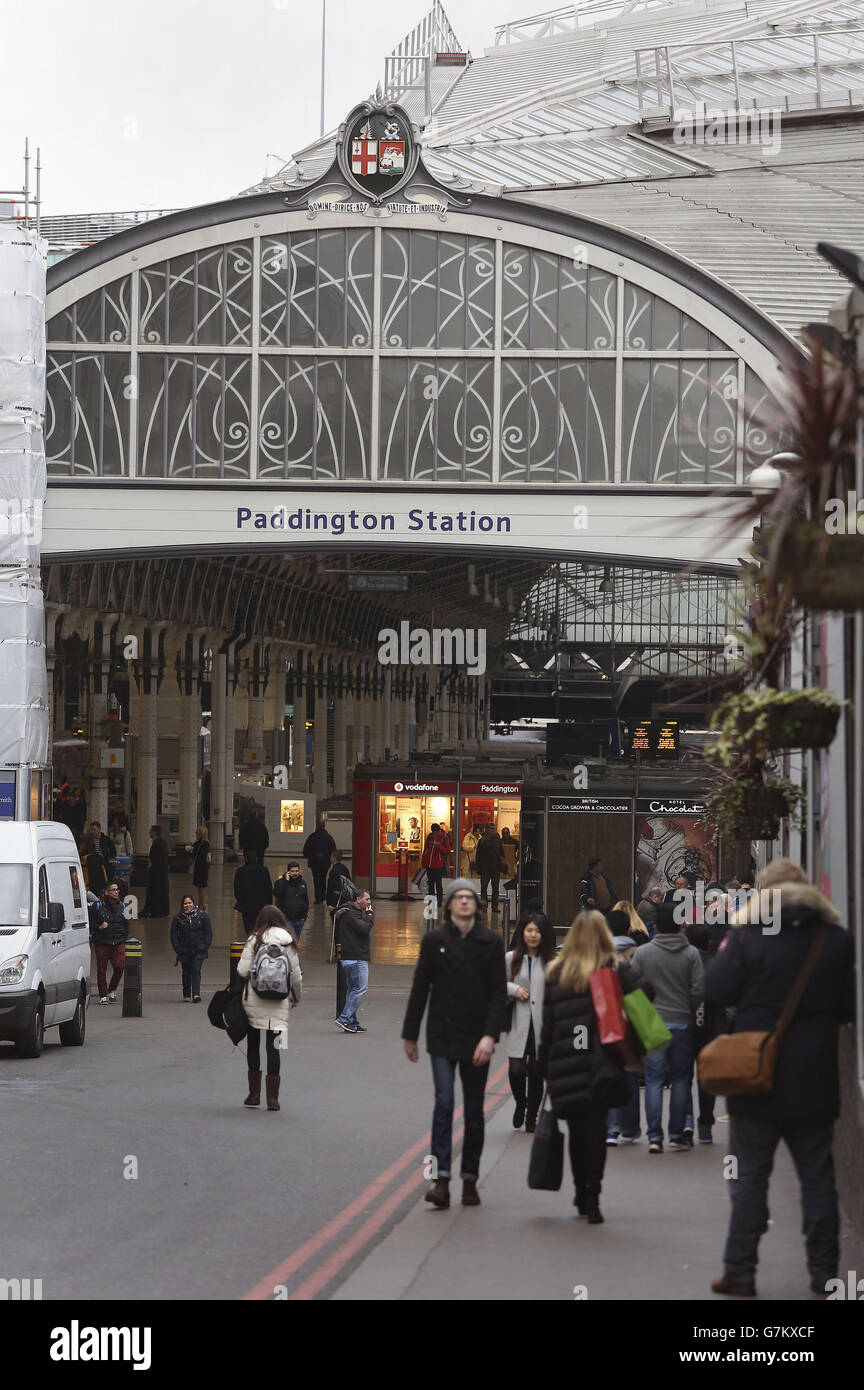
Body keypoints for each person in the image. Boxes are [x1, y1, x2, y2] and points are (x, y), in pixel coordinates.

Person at [704, 858, 854, 1299]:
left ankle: (740, 1272)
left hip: (755, 1076)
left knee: (750, 1177)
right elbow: (848, 1010)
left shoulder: (749, 936)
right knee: (818, 1179)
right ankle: (825, 1274)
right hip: (816, 1079)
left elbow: (715, 990)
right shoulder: (836, 940)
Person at [402, 878, 507, 1209]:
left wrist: (491, 1036)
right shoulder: (434, 941)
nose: (464, 902)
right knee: (444, 1104)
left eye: (469, 897)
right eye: (458, 898)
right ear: (448, 906)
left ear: (476, 905)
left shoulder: (491, 942)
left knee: (474, 1110)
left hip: (477, 1037)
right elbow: (421, 987)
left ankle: (470, 1179)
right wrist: (410, 1033)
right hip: (441, 1036)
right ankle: (441, 1179)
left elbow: (497, 995)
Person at [538, 910, 639, 1223]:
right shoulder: (612, 969)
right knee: (595, 1132)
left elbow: (548, 1026)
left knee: (577, 1131)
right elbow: (645, 996)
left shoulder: (555, 972)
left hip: (566, 1065)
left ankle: (580, 1191)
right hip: (602, 1063)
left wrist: (544, 1066)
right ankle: (592, 1196)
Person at [628, 902, 704, 1152]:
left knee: (653, 1080)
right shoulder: (692, 954)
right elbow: (698, 991)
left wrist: (643, 1016)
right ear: (681, 924)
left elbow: (633, 989)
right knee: (682, 1080)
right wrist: (688, 1009)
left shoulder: (643, 953)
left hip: (652, 1022)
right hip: (682, 1022)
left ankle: (653, 1138)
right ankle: (675, 1134)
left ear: (656, 926)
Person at [236, 905, 302, 1112]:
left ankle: (254, 1095)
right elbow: (296, 976)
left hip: (254, 999)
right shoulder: (289, 941)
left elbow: (242, 970)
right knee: (275, 1048)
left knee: (253, 1045)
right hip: (280, 1002)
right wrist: (295, 998)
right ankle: (273, 1098)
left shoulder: (254, 940)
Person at [505, 911, 556, 1132]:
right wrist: (515, 989)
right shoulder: (511, 958)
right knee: (516, 1069)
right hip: (519, 1020)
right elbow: (495, 982)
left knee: (536, 1071)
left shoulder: (552, 961)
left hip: (542, 1022)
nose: (533, 935)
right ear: (522, 932)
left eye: (537, 931)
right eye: (529, 930)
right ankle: (520, 1102)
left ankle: (532, 1116)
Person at [606, 933, 648, 1145]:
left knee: (610, 1076)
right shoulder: (628, 971)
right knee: (630, 1078)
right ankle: (629, 1128)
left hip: (606, 1030)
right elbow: (647, 993)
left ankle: (611, 1129)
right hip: (629, 1030)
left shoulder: (600, 970)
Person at [334, 888, 374, 1033]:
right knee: (360, 989)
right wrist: (370, 914)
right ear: (358, 899)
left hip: (350, 957)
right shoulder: (352, 914)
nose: (370, 902)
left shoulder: (350, 911)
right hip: (356, 957)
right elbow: (364, 928)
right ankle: (344, 1018)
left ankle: (352, 1022)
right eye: (367, 899)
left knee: (352, 990)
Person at [169, 894, 213, 1002]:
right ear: (182, 905)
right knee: (186, 972)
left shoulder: (202, 916)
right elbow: (173, 935)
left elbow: (208, 933)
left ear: (194, 903)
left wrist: (204, 946)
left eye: (190, 903)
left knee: (196, 969)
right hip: (184, 950)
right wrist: (178, 948)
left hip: (199, 950)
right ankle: (187, 995)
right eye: (185, 903)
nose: (188, 905)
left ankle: (196, 994)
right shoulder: (178, 918)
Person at [92, 881, 130, 1004]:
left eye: (117, 889)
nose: (116, 892)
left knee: (120, 967)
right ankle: (103, 995)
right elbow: (90, 923)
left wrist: (124, 939)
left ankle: (112, 989)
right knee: (102, 970)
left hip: (118, 942)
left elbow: (126, 924)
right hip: (102, 942)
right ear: (107, 892)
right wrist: (99, 926)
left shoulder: (122, 906)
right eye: (113, 890)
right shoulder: (98, 906)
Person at [233, 850, 273, 936]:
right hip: (261, 906)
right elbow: (268, 888)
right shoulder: (264, 870)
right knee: (260, 929)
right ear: (257, 858)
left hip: (246, 906)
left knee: (249, 929)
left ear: (245, 858)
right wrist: (269, 904)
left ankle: (251, 944)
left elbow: (237, 889)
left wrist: (241, 900)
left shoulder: (241, 871)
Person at [274, 861, 310, 942]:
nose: (295, 873)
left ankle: (292, 954)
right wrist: (285, 882)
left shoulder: (303, 883)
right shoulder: (280, 882)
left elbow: (306, 899)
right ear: (288, 872)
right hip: (287, 919)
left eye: (297, 871)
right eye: (292, 871)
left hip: (300, 919)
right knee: (293, 941)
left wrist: (304, 916)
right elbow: (277, 893)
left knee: (295, 942)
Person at [303, 820, 337, 904]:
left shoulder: (312, 836)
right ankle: (322, 895)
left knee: (316, 879)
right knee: (323, 878)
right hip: (325, 863)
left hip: (314, 863)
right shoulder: (328, 837)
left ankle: (318, 897)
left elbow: (305, 850)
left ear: (316, 826)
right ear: (324, 826)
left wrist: (310, 856)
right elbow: (333, 849)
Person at [141, 824, 170, 918]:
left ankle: (155, 910)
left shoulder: (157, 844)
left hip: (157, 873)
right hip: (162, 873)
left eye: (151, 831)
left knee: (155, 891)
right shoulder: (163, 842)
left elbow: (156, 860)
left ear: (154, 832)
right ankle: (159, 910)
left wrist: (151, 869)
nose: (149, 832)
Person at [475, 822, 504, 913]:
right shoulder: (482, 839)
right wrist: (478, 867)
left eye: (493, 828)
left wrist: (502, 862)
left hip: (494, 867)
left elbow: (501, 851)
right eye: (491, 828)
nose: (492, 830)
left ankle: (494, 907)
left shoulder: (497, 838)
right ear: (486, 829)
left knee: (495, 888)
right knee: (484, 888)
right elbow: (478, 855)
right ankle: (484, 906)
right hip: (485, 868)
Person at [420, 822, 450, 911]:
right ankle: (431, 901)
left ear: (438, 831)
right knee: (430, 885)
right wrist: (423, 863)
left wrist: (439, 846)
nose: (434, 834)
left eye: (435, 832)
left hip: (439, 865)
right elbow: (426, 850)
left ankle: (440, 902)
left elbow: (447, 850)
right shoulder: (429, 837)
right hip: (429, 865)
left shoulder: (444, 837)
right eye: (433, 832)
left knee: (438, 884)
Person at [186, 825, 211, 910]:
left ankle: (202, 903)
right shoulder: (198, 843)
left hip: (202, 868)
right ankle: (201, 903)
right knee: (199, 886)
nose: (196, 833)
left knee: (202, 886)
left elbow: (203, 854)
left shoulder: (205, 844)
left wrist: (193, 849)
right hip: (198, 867)